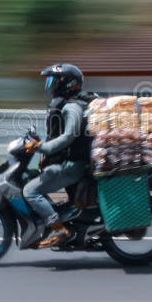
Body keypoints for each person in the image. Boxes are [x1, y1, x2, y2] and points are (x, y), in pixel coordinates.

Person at [22, 63, 90, 249]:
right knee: (33, 178)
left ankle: (59, 228)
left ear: (66, 83)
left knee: (30, 191)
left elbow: (69, 136)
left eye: (52, 81)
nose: (50, 86)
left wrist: (42, 148)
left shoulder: (72, 108)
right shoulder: (68, 105)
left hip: (72, 166)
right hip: (70, 162)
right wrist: (39, 143)